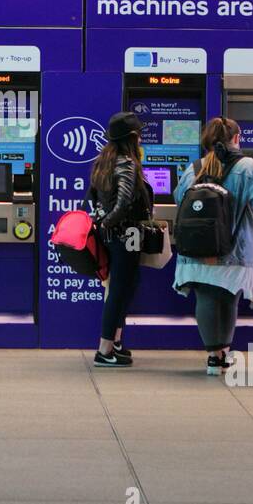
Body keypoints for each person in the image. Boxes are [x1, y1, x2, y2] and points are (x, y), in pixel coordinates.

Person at [174, 117, 253, 374]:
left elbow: (180, 197)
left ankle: (214, 355)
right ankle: (223, 353)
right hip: (232, 248)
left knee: (206, 297)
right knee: (228, 298)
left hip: (197, 248)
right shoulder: (247, 166)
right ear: (236, 138)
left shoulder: (195, 167)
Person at [87, 111, 153, 367]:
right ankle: (104, 350)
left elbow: (91, 198)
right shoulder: (126, 162)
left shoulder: (103, 160)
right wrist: (110, 222)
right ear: (133, 137)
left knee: (125, 287)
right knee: (118, 291)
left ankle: (114, 342)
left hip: (113, 236)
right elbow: (124, 203)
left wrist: (103, 224)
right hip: (126, 235)